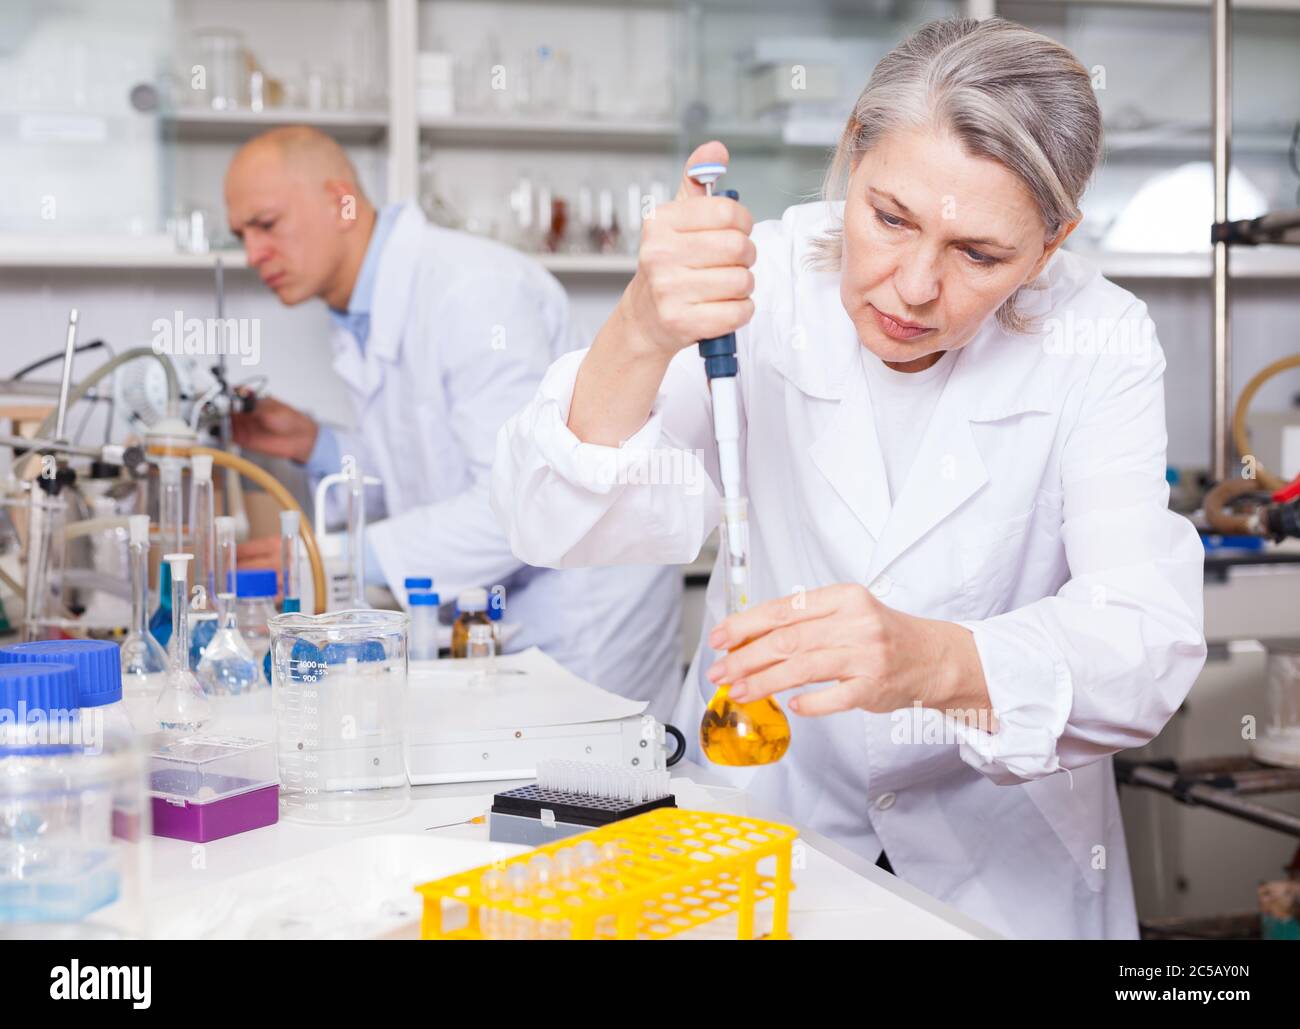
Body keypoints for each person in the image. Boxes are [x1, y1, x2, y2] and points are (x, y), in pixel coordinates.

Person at [491, 17, 1207, 938]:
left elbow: (1144, 643)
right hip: (765, 823)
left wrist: (934, 659)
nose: (912, 286)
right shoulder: (766, 281)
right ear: (851, 155)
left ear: (1052, 242)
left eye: (979, 254)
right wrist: (638, 327)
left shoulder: (1099, 339)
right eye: (889, 218)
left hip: (1001, 869)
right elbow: (550, 521)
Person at [224, 126, 682, 715]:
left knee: (597, 796)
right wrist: (316, 444)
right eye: (241, 235)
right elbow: (433, 469)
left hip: (579, 621)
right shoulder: (363, 313)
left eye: (265, 224)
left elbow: (520, 500)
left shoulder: (471, 290)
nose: (252, 254)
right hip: (499, 616)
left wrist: (328, 556)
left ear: (340, 200)